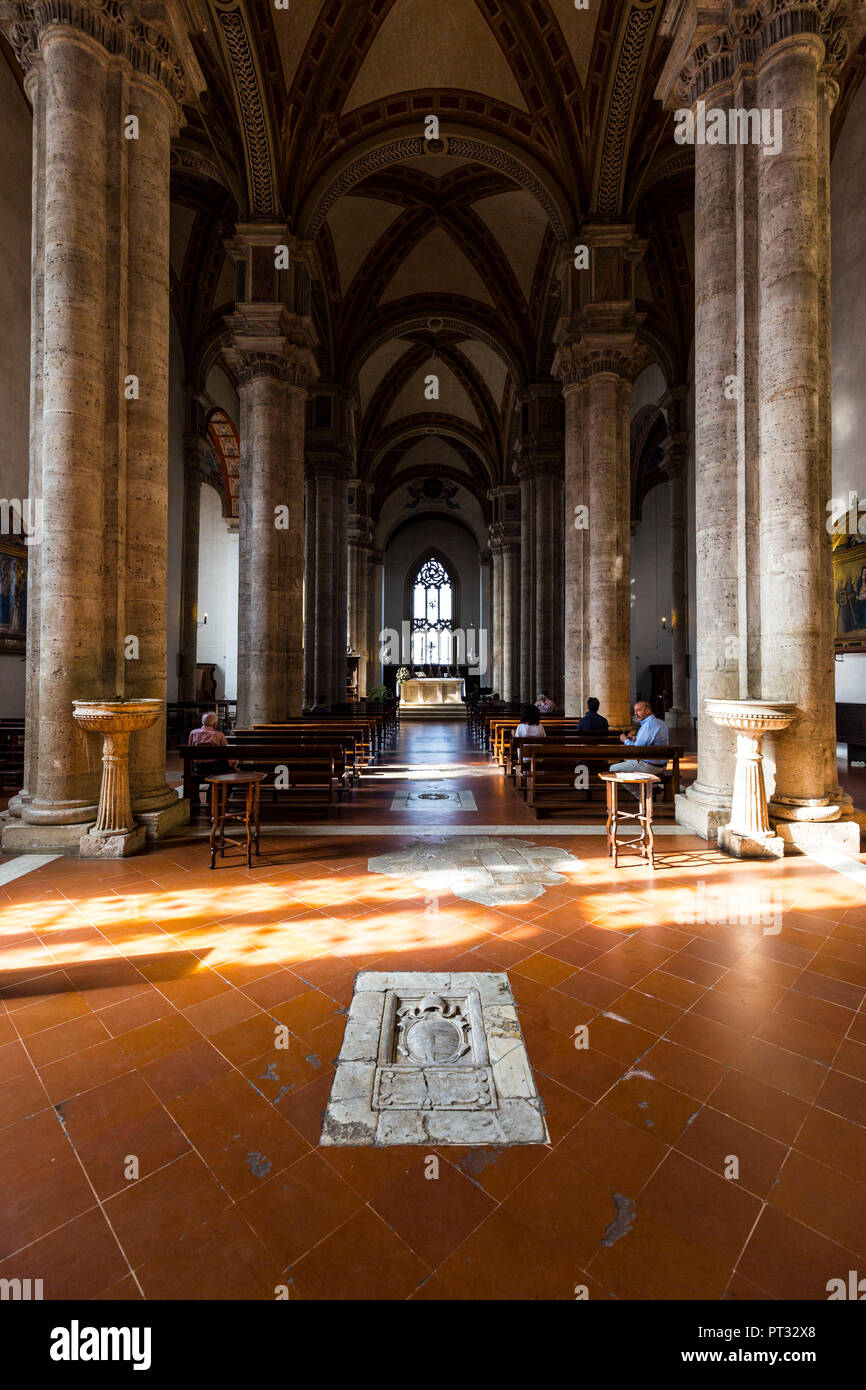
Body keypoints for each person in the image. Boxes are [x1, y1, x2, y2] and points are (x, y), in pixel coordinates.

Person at [610, 700, 669, 793]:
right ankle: (652, 787)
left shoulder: (647, 726)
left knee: (613, 769)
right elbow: (652, 740)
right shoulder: (660, 723)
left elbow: (637, 750)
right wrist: (635, 738)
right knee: (629, 761)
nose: (635, 713)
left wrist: (625, 740)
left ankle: (642, 795)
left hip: (650, 766)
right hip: (661, 764)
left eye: (638, 710)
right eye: (635, 711)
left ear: (647, 711)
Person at [188, 712, 237, 781]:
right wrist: (233, 764)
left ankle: (212, 790)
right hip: (214, 768)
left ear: (202, 722)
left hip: (198, 768)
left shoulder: (193, 733)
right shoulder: (219, 735)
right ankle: (214, 791)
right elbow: (226, 752)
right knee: (230, 772)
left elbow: (189, 751)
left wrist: (191, 766)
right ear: (215, 724)